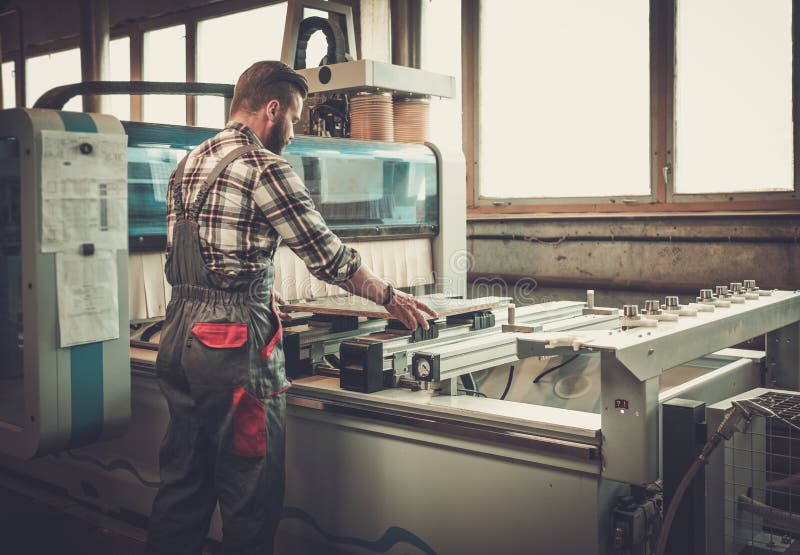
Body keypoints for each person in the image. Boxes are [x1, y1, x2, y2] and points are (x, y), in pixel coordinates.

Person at [146, 60, 437, 555]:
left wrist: (250, 285)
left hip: (178, 337)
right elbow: (327, 258)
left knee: (182, 486)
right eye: (296, 119)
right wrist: (390, 297)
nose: (295, 132)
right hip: (231, 347)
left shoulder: (187, 162)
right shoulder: (264, 166)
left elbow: (192, 257)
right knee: (248, 488)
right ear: (272, 110)